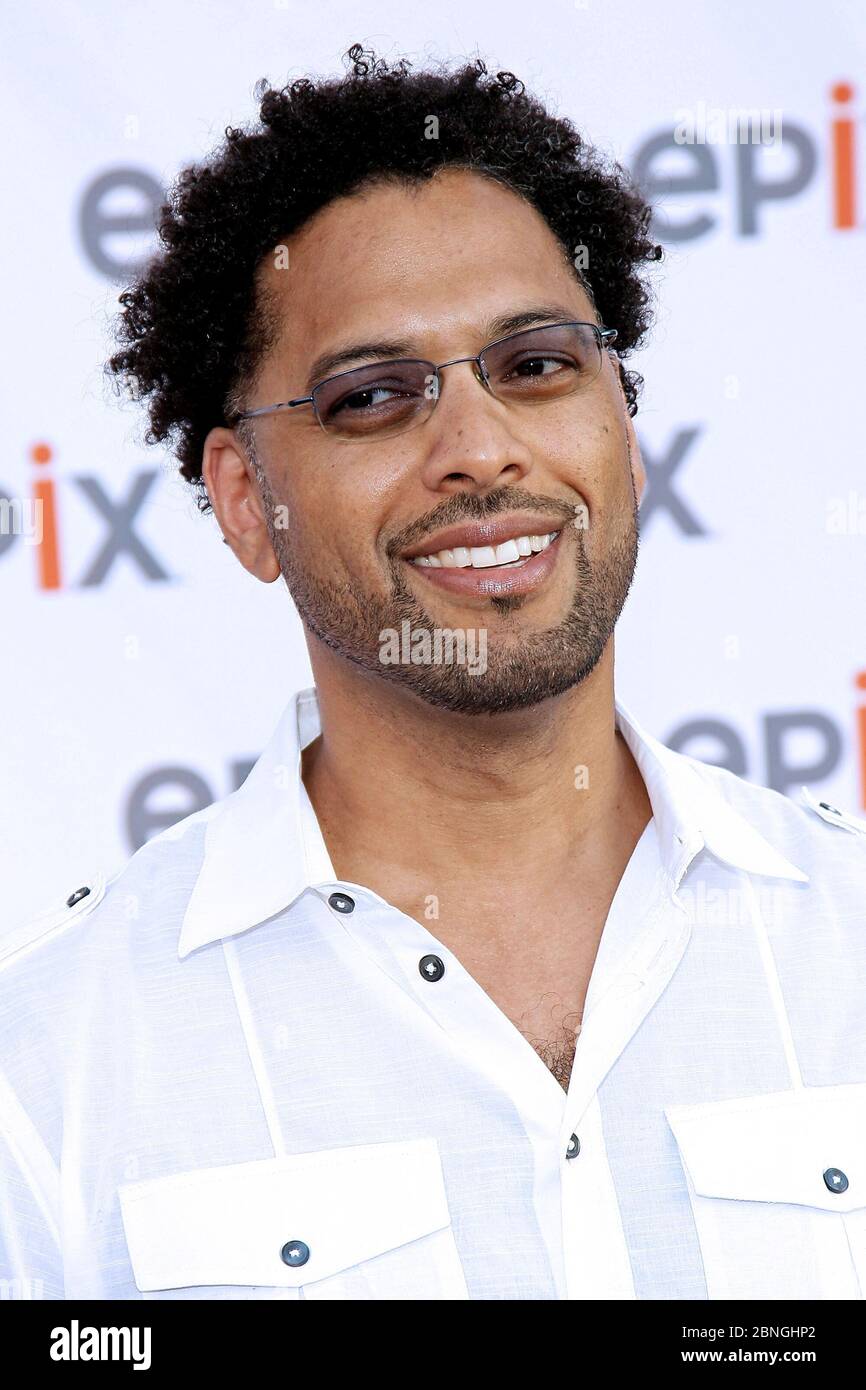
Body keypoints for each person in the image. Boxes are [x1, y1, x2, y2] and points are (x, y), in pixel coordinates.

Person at [3, 44, 865, 1302]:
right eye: (370, 397)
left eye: (533, 367)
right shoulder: (54, 1064)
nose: (477, 449)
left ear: (622, 432)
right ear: (245, 506)